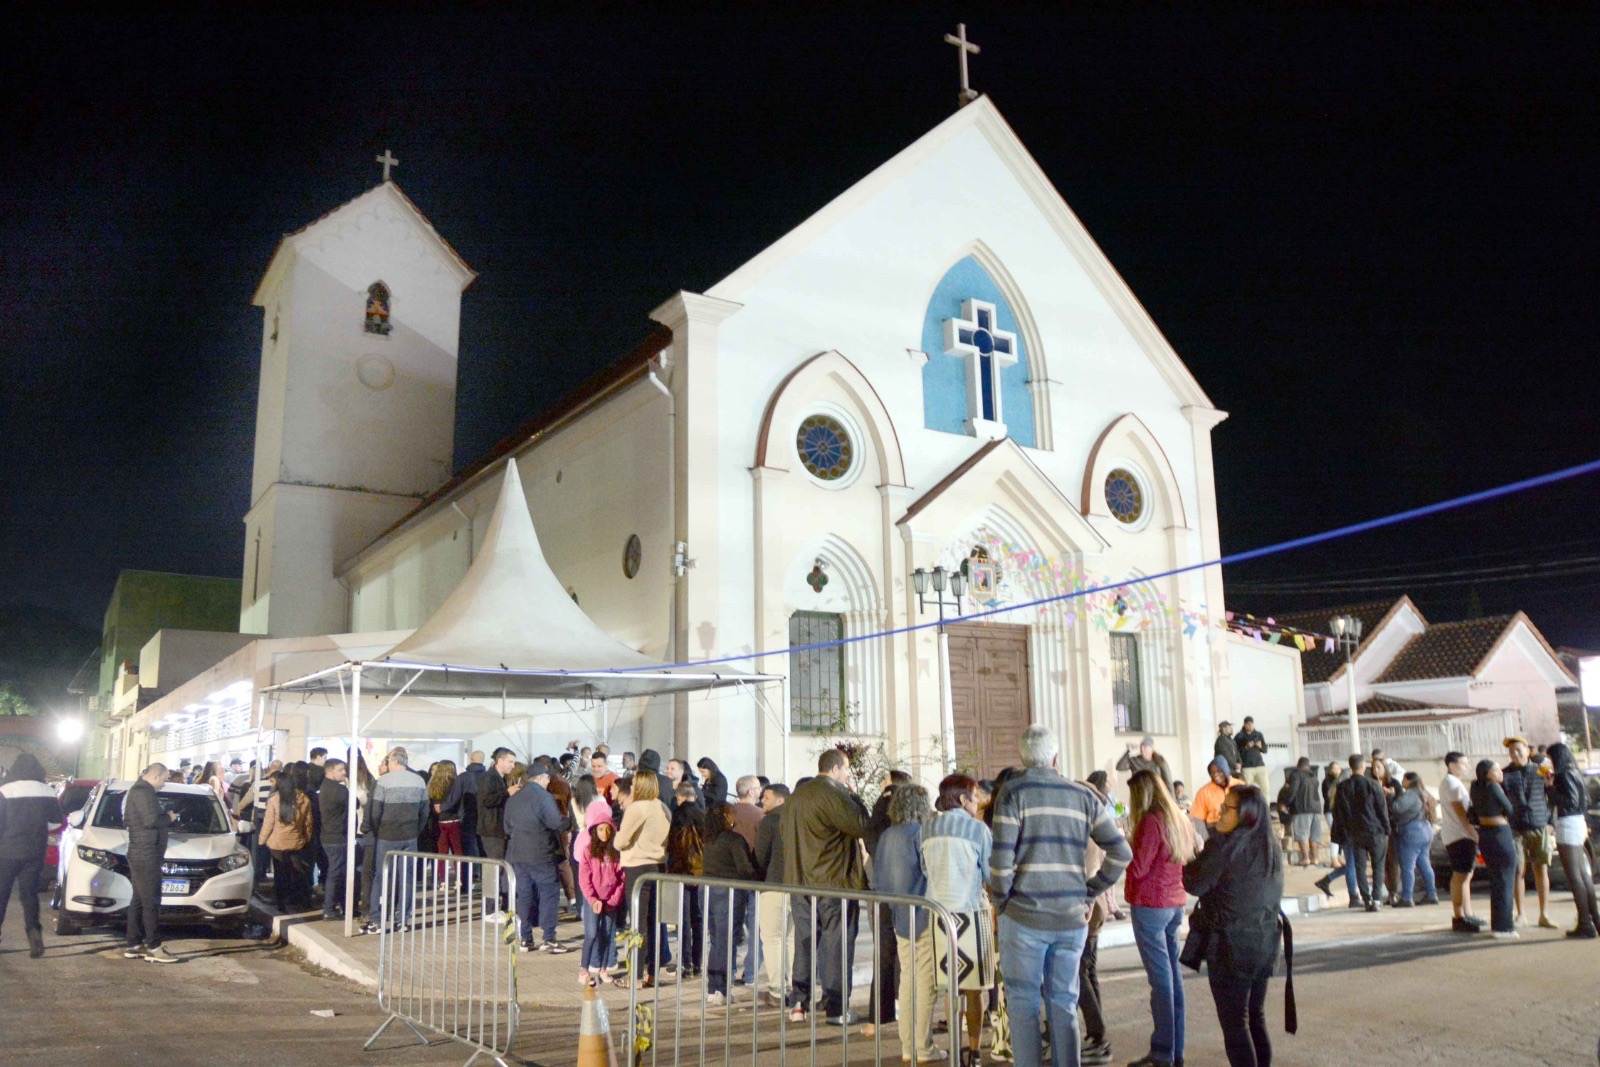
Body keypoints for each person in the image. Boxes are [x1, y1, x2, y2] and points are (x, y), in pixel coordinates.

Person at [989, 725, 1130, 1067]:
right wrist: (1090, 890)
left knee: (1023, 1005)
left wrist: (1002, 901)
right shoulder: (1082, 796)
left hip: (1023, 918)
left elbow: (1000, 860)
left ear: (1023, 757)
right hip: (1070, 918)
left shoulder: (1012, 794)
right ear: (1055, 757)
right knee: (1064, 1002)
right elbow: (1121, 852)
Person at [1182, 786, 1286, 1067]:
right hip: (1264, 942)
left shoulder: (1225, 845)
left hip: (1231, 946)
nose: (1219, 811)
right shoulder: (1270, 846)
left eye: (1227, 808)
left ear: (1247, 815)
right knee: (1255, 1016)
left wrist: (1194, 854)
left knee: (1235, 1023)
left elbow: (1194, 883)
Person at [781, 748, 870, 1025]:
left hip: (799, 880)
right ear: (835, 769)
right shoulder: (833, 794)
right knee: (836, 944)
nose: (847, 776)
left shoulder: (797, 796)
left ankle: (798, 1003)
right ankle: (836, 1008)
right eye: (845, 771)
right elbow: (861, 825)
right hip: (832, 882)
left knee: (805, 943)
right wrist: (854, 797)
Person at [1123, 769, 1195, 1067]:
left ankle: (1163, 1052)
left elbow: (1138, 868)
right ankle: (1175, 1050)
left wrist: (1126, 845)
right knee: (1172, 978)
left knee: (1161, 982)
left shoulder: (1151, 821)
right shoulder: (1178, 817)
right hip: (1174, 903)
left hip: (1150, 904)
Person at [924, 774, 996, 1067]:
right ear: (963, 799)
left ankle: (954, 1045)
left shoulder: (927, 828)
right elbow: (990, 874)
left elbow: (924, 868)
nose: (978, 801)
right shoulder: (978, 830)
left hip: (939, 916)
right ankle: (975, 1049)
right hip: (971, 915)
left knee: (950, 984)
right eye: (975, 796)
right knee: (975, 989)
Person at [872, 783, 940, 1065]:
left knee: (909, 980)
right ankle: (922, 1048)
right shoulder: (922, 834)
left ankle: (908, 1046)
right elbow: (932, 870)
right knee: (925, 983)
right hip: (923, 913)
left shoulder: (888, 835)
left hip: (899, 915)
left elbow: (879, 877)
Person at [504, 760, 573, 953]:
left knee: (524, 895)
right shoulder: (543, 797)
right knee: (549, 894)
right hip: (540, 853)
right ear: (541, 778)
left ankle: (525, 938)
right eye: (547, 778)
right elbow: (555, 823)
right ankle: (548, 937)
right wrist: (568, 822)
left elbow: (506, 827)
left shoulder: (514, 798)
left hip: (517, 853)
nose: (548, 781)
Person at [361, 748, 431, 935]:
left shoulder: (383, 781)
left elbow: (375, 811)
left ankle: (376, 920)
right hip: (410, 836)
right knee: (407, 879)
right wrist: (416, 829)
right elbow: (425, 810)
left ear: (393, 761)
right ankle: (403, 921)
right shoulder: (419, 781)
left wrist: (378, 831)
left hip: (386, 835)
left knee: (381, 877)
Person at [864, 768, 911, 1036]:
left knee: (884, 951)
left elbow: (871, 839)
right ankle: (902, 1010)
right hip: (908, 891)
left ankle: (878, 1016)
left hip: (883, 889)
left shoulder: (883, 805)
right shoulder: (910, 815)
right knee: (906, 951)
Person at [0, 753, 59, 958]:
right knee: (29, 895)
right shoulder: (47, 791)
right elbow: (55, 823)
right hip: (34, 851)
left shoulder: (5, 790)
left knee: (1, 894)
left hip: (6, 851)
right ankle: (34, 933)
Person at [616, 773, 670, 988]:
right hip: (657, 865)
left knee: (638, 924)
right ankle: (651, 974)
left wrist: (616, 839)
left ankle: (635, 976)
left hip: (637, 866)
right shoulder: (662, 807)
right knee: (654, 923)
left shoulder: (637, 808)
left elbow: (620, 841)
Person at [122, 763, 179, 963]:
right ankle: (154, 947)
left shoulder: (139, 790)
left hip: (142, 853)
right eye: (164, 780)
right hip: (146, 855)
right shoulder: (143, 792)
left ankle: (133, 944)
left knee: (138, 901)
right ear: (155, 776)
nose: (164, 785)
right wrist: (169, 818)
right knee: (151, 902)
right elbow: (150, 819)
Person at [703, 803, 757, 1007]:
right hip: (729, 891)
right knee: (726, 942)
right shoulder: (734, 840)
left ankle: (713, 986)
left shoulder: (708, 839)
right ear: (726, 817)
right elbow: (744, 868)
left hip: (707, 890)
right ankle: (722, 989)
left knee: (716, 940)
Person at [1502, 736, 1556, 929]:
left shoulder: (1542, 771)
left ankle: (1544, 914)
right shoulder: (1504, 774)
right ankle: (1521, 914)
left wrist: (1552, 823)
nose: (1515, 754)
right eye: (1511, 751)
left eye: (1518, 749)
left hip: (1540, 825)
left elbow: (1553, 797)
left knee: (1541, 869)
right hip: (1515, 828)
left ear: (1527, 750)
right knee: (1518, 871)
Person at [1546, 743, 1598, 938]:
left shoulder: (1565, 774)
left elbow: (1569, 801)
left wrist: (1550, 789)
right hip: (1578, 823)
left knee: (1574, 875)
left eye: (1551, 758)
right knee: (1584, 875)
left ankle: (1585, 923)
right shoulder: (1575, 771)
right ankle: (1594, 919)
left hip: (1568, 823)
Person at [1331, 753, 1389, 911]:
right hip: (1375, 831)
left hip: (1355, 833)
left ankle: (1366, 899)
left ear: (1350, 767)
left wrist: (1344, 832)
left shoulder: (1342, 787)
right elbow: (1381, 809)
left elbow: (1339, 812)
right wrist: (1386, 828)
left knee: (1360, 867)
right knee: (1378, 866)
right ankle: (1377, 898)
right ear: (1363, 767)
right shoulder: (1373, 785)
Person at [1469, 759, 1518, 939]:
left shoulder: (1475, 787)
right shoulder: (1493, 787)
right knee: (1506, 880)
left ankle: (1497, 924)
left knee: (1496, 880)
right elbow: (1509, 809)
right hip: (1500, 833)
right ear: (1487, 772)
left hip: (1485, 834)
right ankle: (1505, 927)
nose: (1500, 772)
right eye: (1496, 770)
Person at [578, 799, 625, 985]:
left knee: (607, 934)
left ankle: (604, 969)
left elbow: (622, 878)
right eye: (600, 829)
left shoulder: (617, 852)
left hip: (610, 900)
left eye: (607, 829)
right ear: (594, 831)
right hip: (593, 900)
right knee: (591, 933)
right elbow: (584, 877)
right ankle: (584, 969)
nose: (604, 833)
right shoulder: (588, 851)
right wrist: (592, 899)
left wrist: (614, 899)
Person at [753, 781, 791, 1007]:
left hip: (774, 885)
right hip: (798, 886)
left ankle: (777, 990)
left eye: (766, 798)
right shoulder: (798, 818)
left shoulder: (770, 821)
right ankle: (795, 987)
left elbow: (760, 855)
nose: (762, 801)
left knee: (773, 938)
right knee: (792, 939)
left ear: (780, 799)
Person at [1435, 751, 1482, 932]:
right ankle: (1459, 915)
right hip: (1459, 835)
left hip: (1461, 834)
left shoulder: (1454, 783)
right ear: (1452, 765)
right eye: (1463, 764)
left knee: (1466, 875)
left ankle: (1467, 913)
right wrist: (1475, 834)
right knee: (1460, 875)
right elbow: (1462, 815)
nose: (1467, 767)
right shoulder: (1451, 784)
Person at [664, 780, 706, 976]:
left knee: (684, 919)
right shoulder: (703, 815)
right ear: (694, 797)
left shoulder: (677, 815)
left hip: (681, 871)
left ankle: (685, 963)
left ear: (679, 797)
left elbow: (672, 845)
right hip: (700, 872)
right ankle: (698, 963)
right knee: (697, 918)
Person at [260, 771, 315, 910]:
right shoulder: (304, 799)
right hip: (296, 842)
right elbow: (308, 824)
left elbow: (268, 824)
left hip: (277, 843)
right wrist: (306, 838)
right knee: (298, 872)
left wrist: (262, 840)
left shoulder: (274, 800)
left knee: (280, 874)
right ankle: (303, 901)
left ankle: (281, 904)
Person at [730, 774, 765, 988]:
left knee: (731, 927)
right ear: (751, 791)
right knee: (755, 927)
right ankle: (750, 972)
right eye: (759, 788)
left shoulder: (728, 814)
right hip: (754, 877)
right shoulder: (760, 816)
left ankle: (729, 969)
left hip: (731, 877)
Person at [1389, 771, 1438, 907]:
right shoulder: (1425, 793)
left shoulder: (1411, 794)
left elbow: (1396, 808)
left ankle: (1406, 897)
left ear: (1409, 781)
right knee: (1424, 863)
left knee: (1407, 866)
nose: (1402, 782)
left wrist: (1391, 795)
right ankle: (1431, 894)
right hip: (1426, 829)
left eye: (1404, 779)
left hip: (1412, 831)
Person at [477, 748, 515, 918]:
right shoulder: (489, 777)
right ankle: (489, 909)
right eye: (510, 762)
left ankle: (496, 906)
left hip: (498, 829)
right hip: (491, 830)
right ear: (500, 760)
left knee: (499, 868)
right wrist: (507, 793)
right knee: (493, 869)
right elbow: (486, 800)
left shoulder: (498, 777)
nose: (512, 766)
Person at [318, 758, 354, 920]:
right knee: (336, 873)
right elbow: (357, 803)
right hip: (337, 837)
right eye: (340, 770)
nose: (344, 773)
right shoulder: (339, 791)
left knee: (334, 872)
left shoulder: (324, 787)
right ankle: (330, 908)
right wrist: (348, 786)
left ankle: (335, 905)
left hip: (327, 836)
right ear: (330, 771)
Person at [1283, 757, 1323, 867]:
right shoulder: (1313, 775)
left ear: (1298, 765)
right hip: (1316, 808)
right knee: (1314, 835)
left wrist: (1287, 802)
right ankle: (1315, 858)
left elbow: (1293, 791)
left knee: (1302, 834)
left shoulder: (1296, 774)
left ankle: (1305, 858)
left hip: (1302, 808)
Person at [1190, 757, 1242, 836]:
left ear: (1226, 770)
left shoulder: (1239, 785)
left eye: (1219, 771)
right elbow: (1198, 819)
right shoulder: (1203, 792)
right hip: (1214, 830)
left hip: (1237, 828)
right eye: (1212, 772)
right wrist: (1206, 840)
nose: (1215, 775)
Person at [429, 760, 462, 880]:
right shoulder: (454, 782)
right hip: (454, 820)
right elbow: (456, 800)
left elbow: (432, 803)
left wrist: (438, 809)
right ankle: (460, 879)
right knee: (457, 852)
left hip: (440, 822)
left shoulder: (434, 783)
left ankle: (441, 878)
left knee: (441, 853)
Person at [453, 750, 487, 859]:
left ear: (470, 760)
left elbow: (455, 797)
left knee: (469, 846)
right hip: (485, 817)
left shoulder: (463, 777)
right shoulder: (489, 777)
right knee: (483, 846)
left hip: (467, 816)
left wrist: (444, 807)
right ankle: (483, 872)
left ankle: (472, 872)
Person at [1232, 717, 1269, 793]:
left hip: (1260, 765)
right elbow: (1236, 752)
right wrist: (1246, 746)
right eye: (1248, 724)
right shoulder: (1239, 736)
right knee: (1248, 791)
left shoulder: (1258, 734)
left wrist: (1260, 746)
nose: (1250, 726)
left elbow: (1265, 750)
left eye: (1252, 724)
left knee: (1265, 789)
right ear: (1245, 725)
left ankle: (1266, 805)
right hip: (1247, 767)